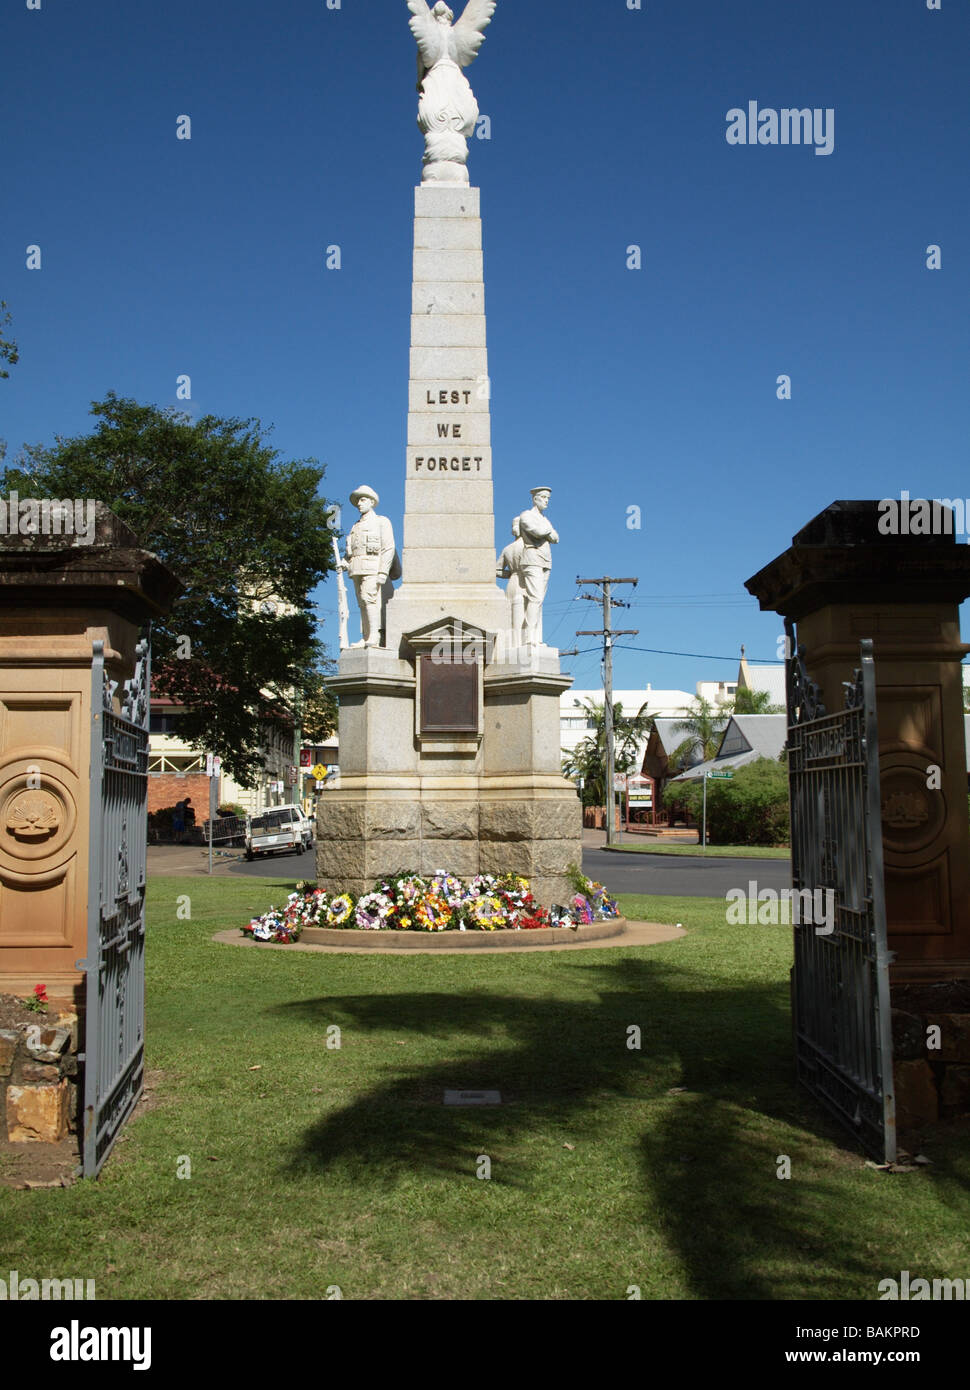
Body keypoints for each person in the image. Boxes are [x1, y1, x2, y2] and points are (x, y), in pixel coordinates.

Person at [337, 486, 398, 647]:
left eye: (363, 500)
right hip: (356, 569)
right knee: (362, 603)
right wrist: (344, 562)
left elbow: (388, 548)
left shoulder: (381, 522)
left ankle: (374, 636)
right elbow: (352, 551)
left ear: (372, 502)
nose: (359, 503)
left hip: (373, 567)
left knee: (369, 599)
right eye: (358, 500)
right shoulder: (355, 526)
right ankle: (366, 636)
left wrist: (383, 571)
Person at [512, 486, 559, 644]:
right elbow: (537, 532)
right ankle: (528, 636)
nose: (546, 501)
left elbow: (556, 538)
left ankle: (536, 637)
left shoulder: (545, 519)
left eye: (548, 498)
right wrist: (547, 531)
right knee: (535, 597)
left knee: (539, 600)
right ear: (535, 498)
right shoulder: (526, 515)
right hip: (531, 558)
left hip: (545, 560)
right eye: (544, 497)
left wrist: (545, 531)